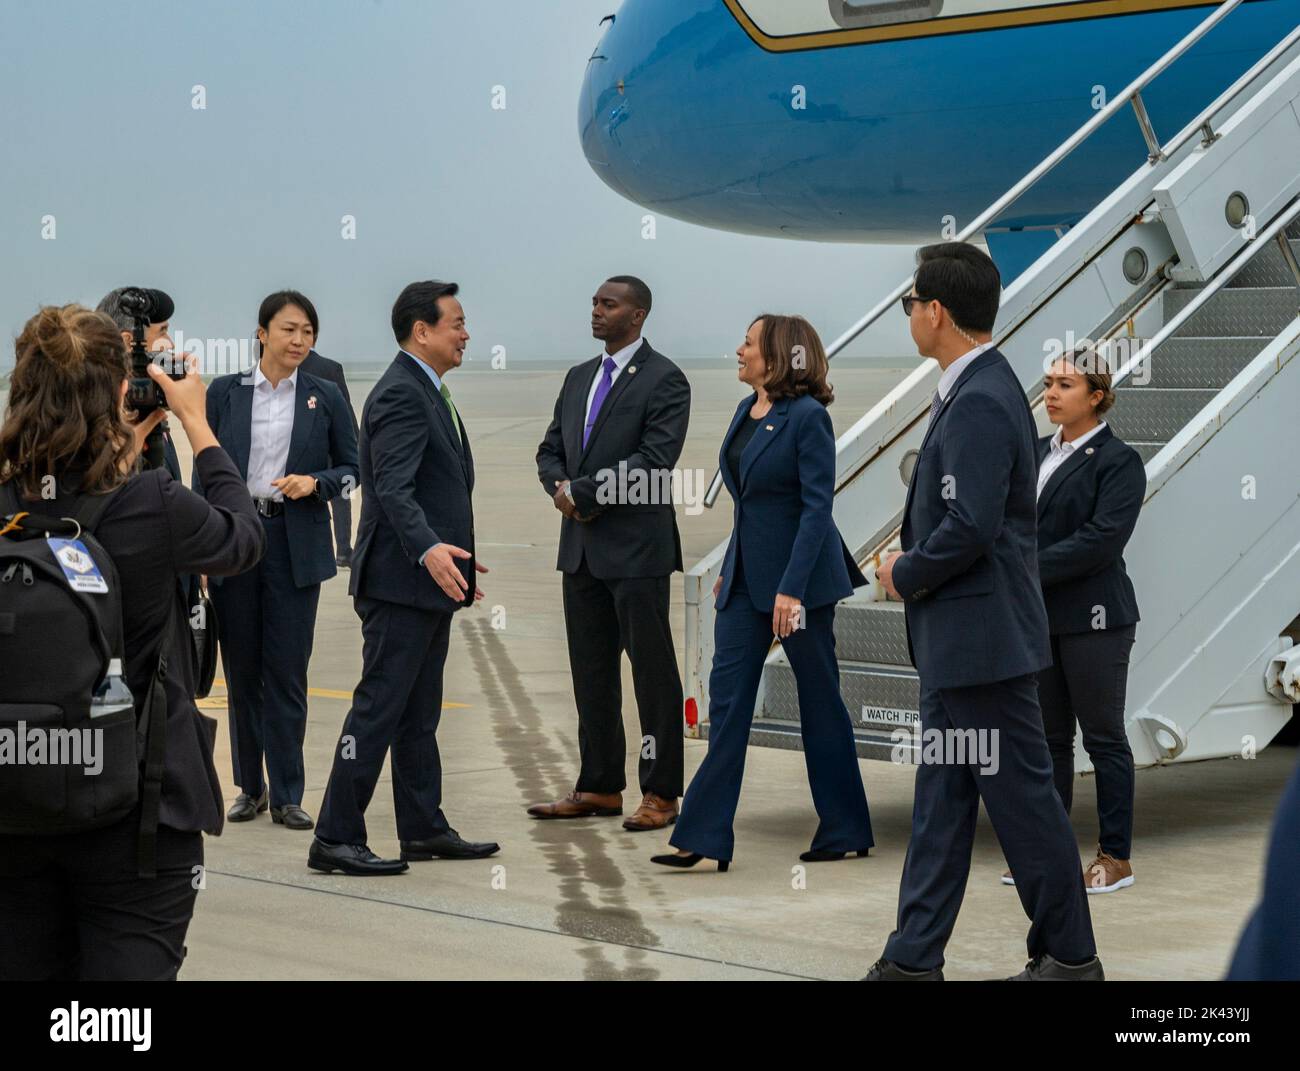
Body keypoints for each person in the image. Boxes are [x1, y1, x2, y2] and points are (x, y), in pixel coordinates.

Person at [0, 304, 263, 980]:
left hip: (15, 810)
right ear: (118, 391)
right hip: (138, 816)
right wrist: (196, 422)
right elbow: (242, 534)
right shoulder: (151, 503)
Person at [867, 242, 1101, 981]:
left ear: (935, 311)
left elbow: (968, 526)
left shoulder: (980, 398)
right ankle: (911, 961)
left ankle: (1070, 957)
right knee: (941, 810)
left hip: (983, 645)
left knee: (1026, 810)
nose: (909, 317)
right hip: (962, 647)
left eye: (911, 306)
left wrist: (905, 571)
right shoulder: (976, 389)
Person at [651, 315, 873, 871]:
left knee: (819, 701)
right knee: (727, 704)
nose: (739, 350)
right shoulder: (745, 413)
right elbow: (749, 504)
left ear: (778, 354)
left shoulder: (808, 419)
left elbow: (816, 510)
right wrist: (733, 564)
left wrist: (791, 591)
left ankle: (845, 826)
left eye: (748, 343)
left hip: (798, 588)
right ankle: (702, 835)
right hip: (745, 584)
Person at [310, 280, 497, 876]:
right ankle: (335, 836)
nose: (467, 334)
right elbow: (391, 486)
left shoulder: (429, 389)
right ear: (423, 330)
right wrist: (429, 553)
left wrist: (453, 558)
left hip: (424, 583)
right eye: (457, 323)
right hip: (397, 584)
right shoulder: (401, 393)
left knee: (419, 713)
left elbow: (433, 487)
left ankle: (422, 827)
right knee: (378, 709)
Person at [530, 276, 691, 832]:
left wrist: (585, 494)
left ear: (638, 314)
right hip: (580, 553)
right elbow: (550, 448)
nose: (596, 311)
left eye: (609, 303)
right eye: (595, 302)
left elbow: (654, 459)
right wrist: (559, 487)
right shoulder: (579, 378)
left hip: (637, 553)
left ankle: (662, 791)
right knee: (591, 674)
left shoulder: (666, 379)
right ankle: (599, 787)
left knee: (651, 675)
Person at [196, 291, 358, 831]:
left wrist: (317, 483)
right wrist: (202, 544)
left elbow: (354, 469)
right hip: (237, 539)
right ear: (261, 333)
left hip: (296, 541)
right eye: (289, 330)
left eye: (308, 332)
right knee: (241, 671)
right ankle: (249, 787)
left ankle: (289, 792)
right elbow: (205, 469)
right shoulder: (225, 393)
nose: (299, 341)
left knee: (287, 672)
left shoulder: (325, 395)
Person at [1000, 349, 1145, 893]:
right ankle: (1048, 851)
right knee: (1049, 739)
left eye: (1065, 384)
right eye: (1049, 383)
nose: (1051, 394)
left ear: (1097, 395)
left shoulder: (1118, 461)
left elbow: (1101, 540)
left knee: (1103, 738)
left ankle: (1116, 857)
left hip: (1095, 619)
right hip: (1039, 617)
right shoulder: (1034, 453)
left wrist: (1022, 567)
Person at [300, 348, 358, 567]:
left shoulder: (282, 365)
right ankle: (343, 551)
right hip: (333, 446)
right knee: (342, 499)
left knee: (303, 500)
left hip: (299, 450)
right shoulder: (331, 368)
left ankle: (306, 551)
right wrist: (356, 446)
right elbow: (346, 410)